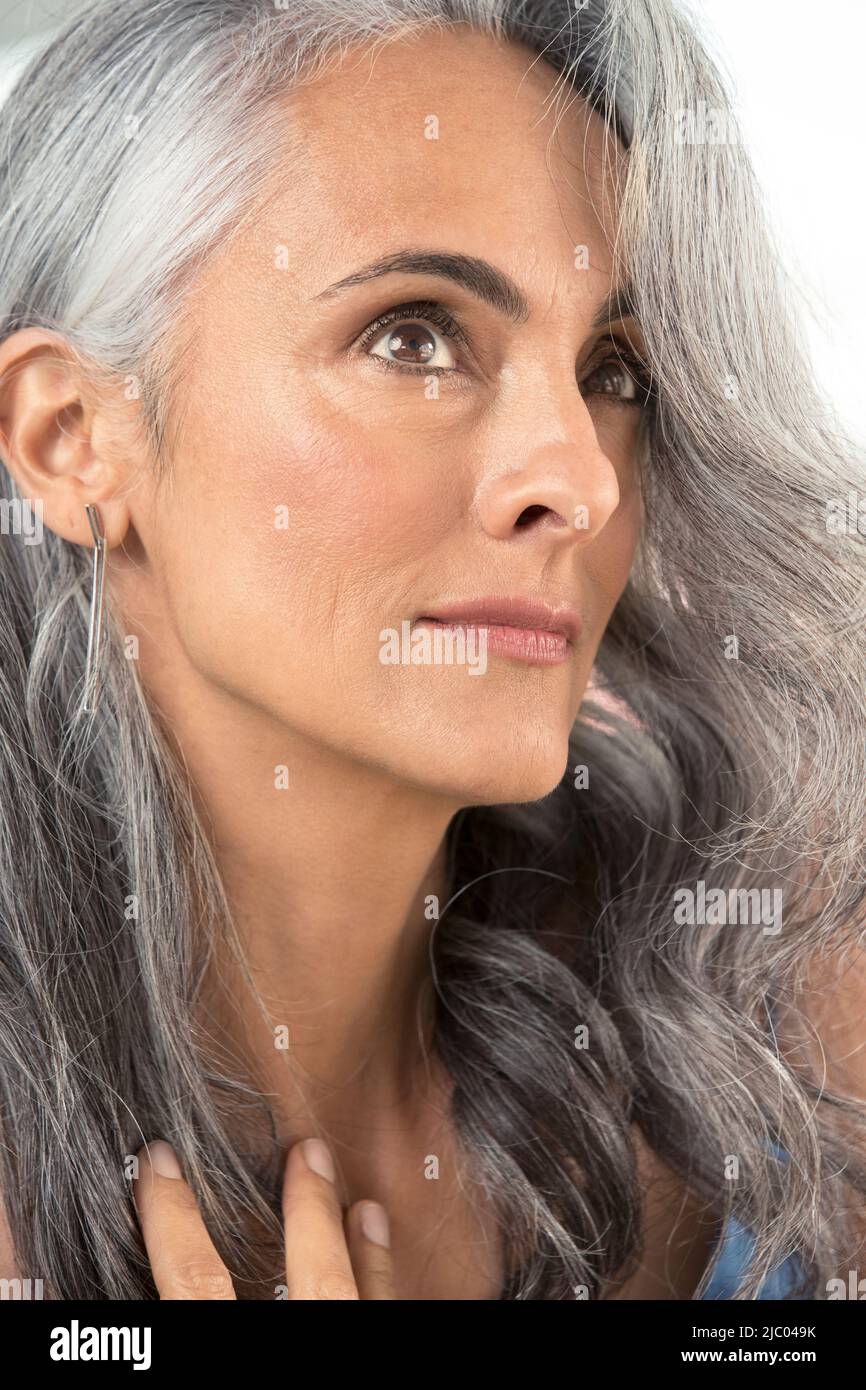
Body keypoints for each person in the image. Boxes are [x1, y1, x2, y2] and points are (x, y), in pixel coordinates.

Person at [0, 0, 863, 1300]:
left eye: (613, 368)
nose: (574, 476)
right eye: (414, 336)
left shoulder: (783, 1010)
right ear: (69, 436)